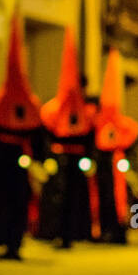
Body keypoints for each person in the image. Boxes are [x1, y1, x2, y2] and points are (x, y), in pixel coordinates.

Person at [0, 9, 46, 261]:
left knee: (20, 202)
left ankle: (16, 242)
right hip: (2, 160)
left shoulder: (32, 105)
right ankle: (2, 241)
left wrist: (39, 160)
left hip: (22, 162)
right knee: (2, 203)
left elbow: (37, 135)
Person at [36, 27, 95, 249]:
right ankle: (53, 232)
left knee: (75, 199)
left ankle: (73, 233)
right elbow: (46, 135)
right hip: (58, 161)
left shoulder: (88, 112)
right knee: (54, 198)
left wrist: (89, 160)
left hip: (76, 163)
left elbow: (89, 138)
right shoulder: (53, 110)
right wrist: (47, 157)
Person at [92, 49, 138, 244]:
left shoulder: (126, 126)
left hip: (118, 164)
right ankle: (103, 229)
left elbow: (131, 143)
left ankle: (121, 229)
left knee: (121, 197)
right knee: (102, 197)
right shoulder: (96, 121)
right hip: (103, 164)